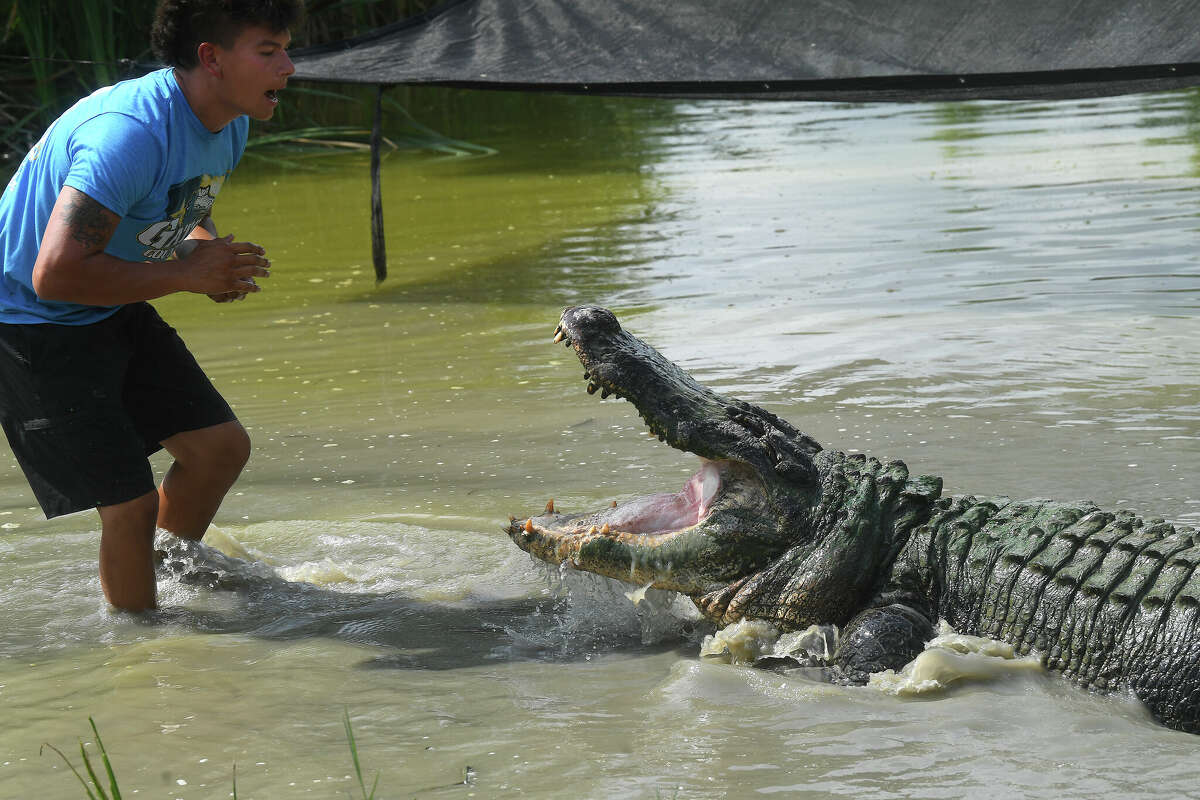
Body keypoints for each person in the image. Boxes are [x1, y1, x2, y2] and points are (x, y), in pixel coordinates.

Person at [0, 0, 302, 611]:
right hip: (28, 321)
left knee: (219, 450)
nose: (290, 66)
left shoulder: (231, 121)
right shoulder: (129, 133)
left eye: (286, 48)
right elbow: (54, 274)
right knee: (130, 504)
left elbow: (180, 205)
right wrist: (188, 275)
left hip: (108, 302)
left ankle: (163, 574)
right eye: (269, 51)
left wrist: (209, 255)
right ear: (211, 59)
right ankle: (143, 654)